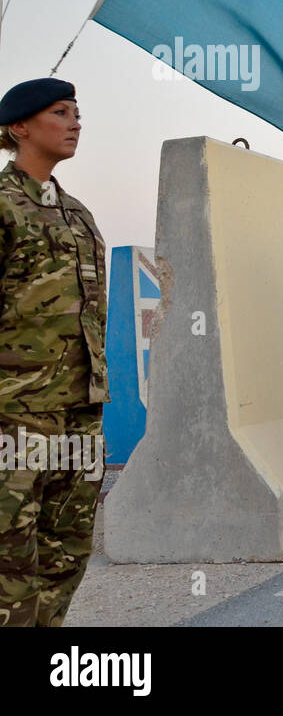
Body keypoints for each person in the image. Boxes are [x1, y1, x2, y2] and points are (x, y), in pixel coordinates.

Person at [0, 78, 107, 627]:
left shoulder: (78, 214)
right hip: (15, 414)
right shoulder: (4, 206)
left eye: (77, 113)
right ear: (20, 128)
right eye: (60, 113)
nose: (74, 122)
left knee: (66, 550)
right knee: (9, 559)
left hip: (79, 411)